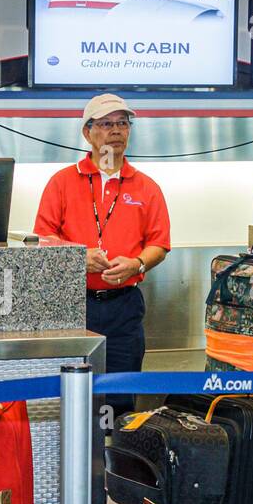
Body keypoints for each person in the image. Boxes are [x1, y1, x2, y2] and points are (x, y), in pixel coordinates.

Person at [33, 93, 171, 421]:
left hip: (125, 308)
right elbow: (41, 240)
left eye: (122, 123)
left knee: (121, 398)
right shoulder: (62, 182)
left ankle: (115, 464)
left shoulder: (146, 187)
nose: (116, 131)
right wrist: (76, 258)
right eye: (106, 124)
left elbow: (160, 244)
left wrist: (137, 264)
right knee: (73, 398)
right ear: (88, 132)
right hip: (74, 306)